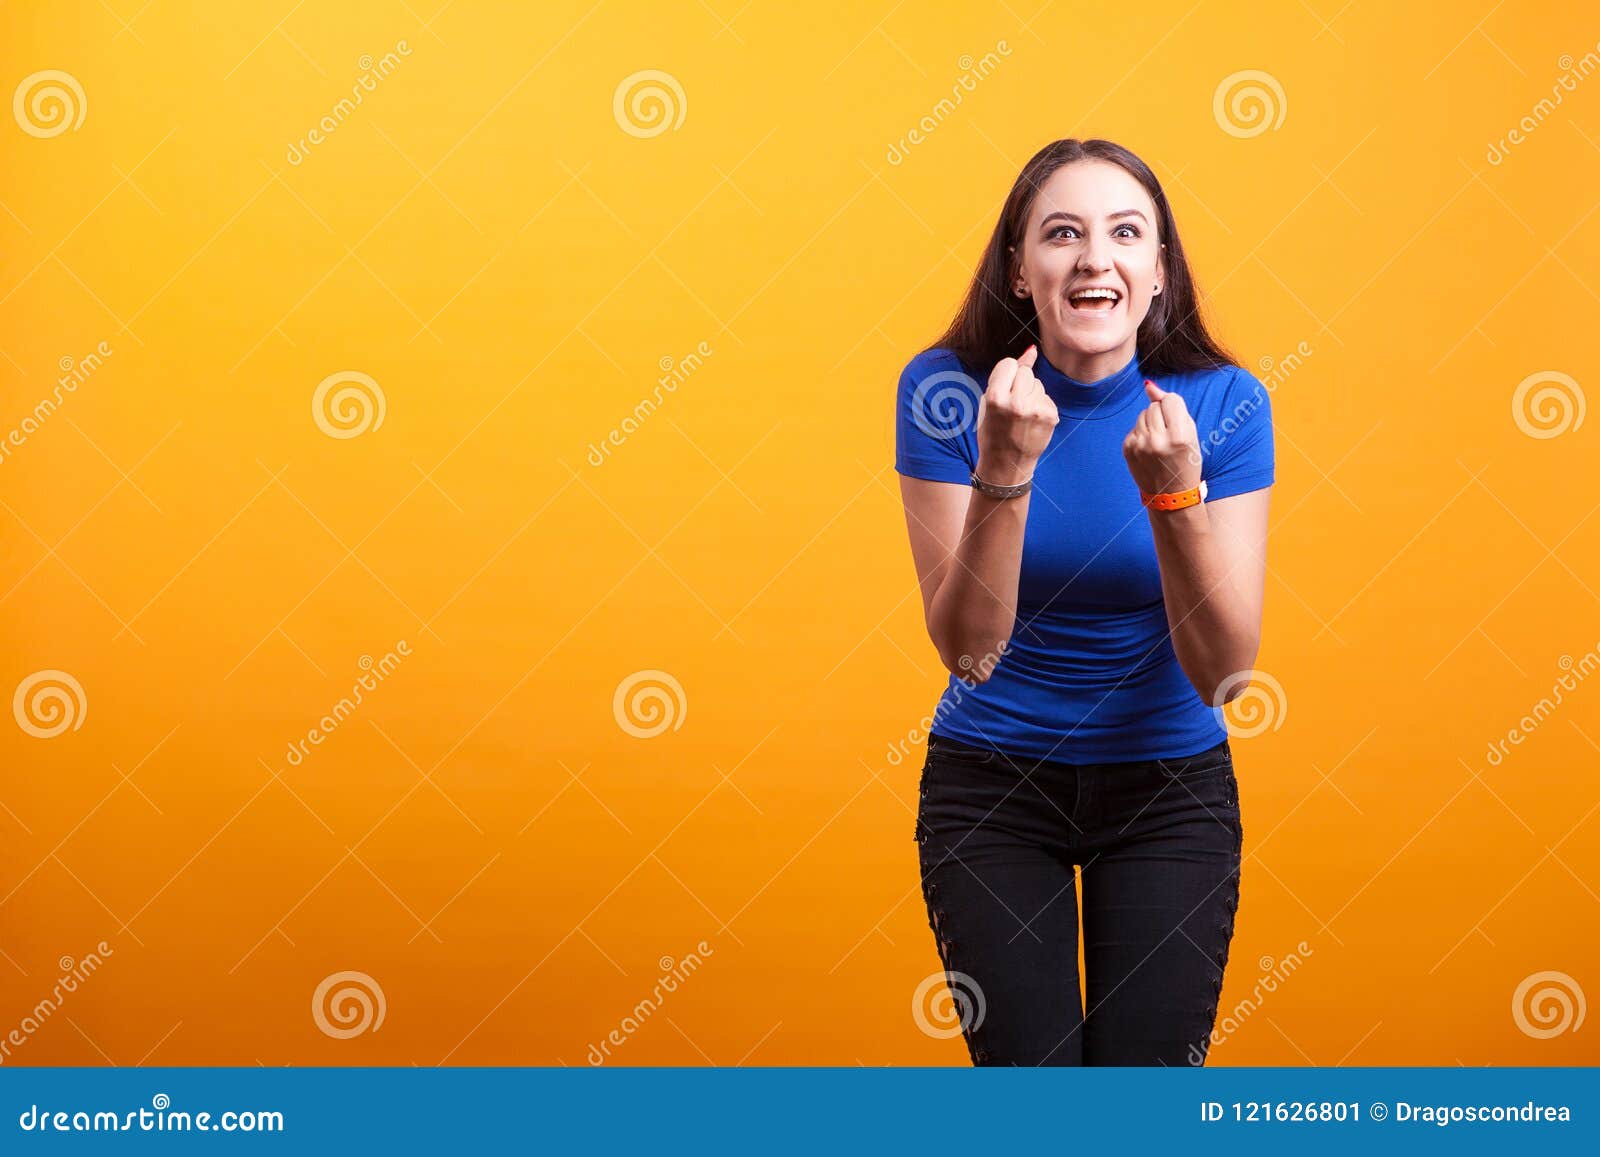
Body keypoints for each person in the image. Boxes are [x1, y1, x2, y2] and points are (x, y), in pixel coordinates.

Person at [895, 137, 1275, 1065]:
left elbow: (1226, 676)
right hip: (992, 788)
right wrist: (1006, 467)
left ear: (1156, 274)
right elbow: (969, 652)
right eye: (1061, 234)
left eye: (1124, 234)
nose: (1093, 256)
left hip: (1169, 793)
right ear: (1021, 272)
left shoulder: (1225, 403)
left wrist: (1175, 496)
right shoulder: (947, 392)